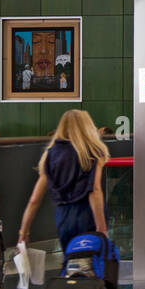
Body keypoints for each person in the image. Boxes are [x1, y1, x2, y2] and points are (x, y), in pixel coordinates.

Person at [17, 109, 109, 258]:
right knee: (92, 265)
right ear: (87, 126)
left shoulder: (51, 154)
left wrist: (24, 232)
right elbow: (95, 190)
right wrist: (102, 228)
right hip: (87, 215)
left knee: (71, 262)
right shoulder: (91, 151)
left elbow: (34, 200)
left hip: (63, 217)